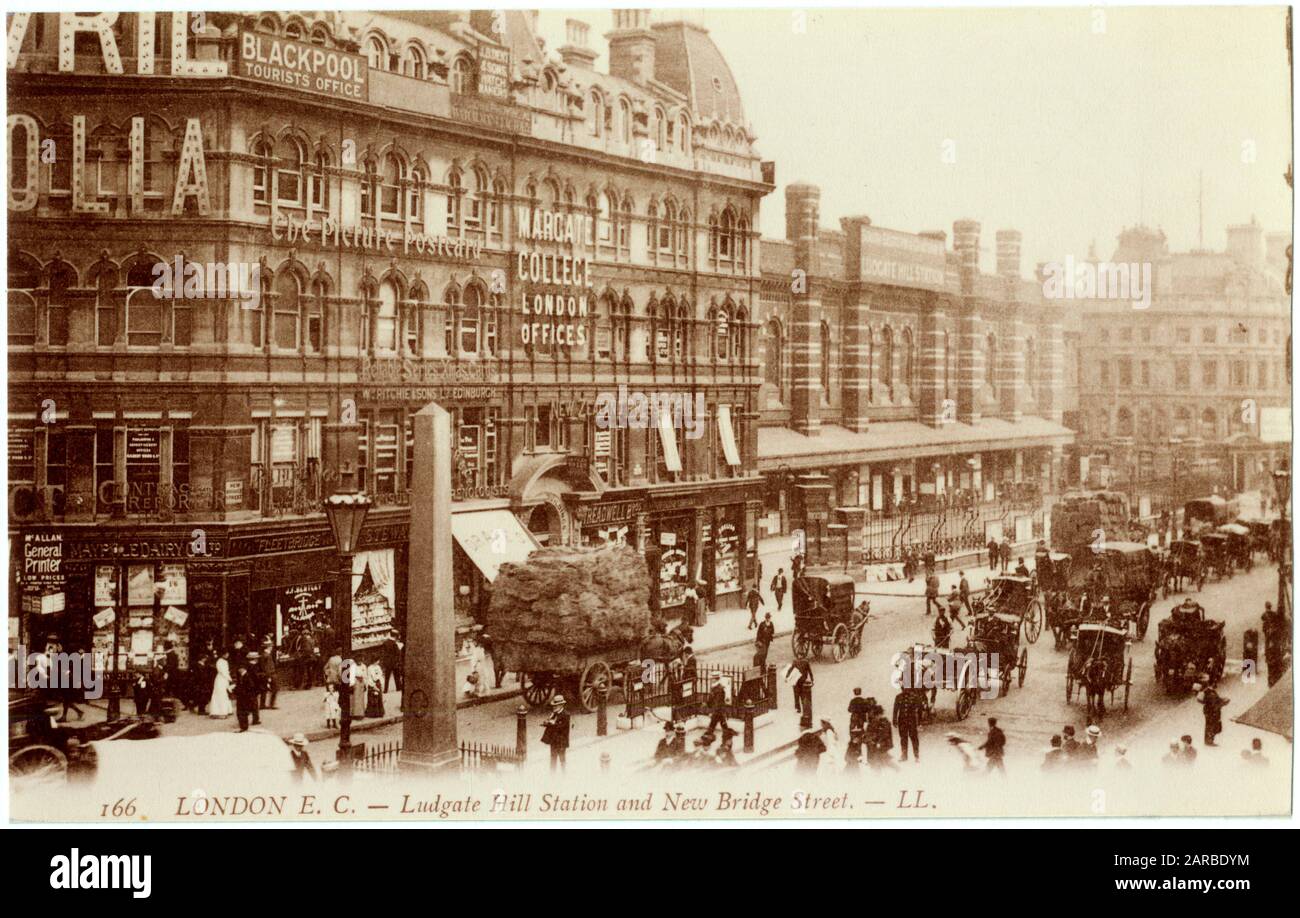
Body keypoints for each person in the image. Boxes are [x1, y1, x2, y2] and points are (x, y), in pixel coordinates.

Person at [541, 695, 571, 772]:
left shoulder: (566, 715)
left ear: (561, 705)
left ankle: (564, 773)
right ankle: (552, 774)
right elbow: (550, 722)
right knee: (553, 758)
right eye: (553, 706)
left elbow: (561, 727)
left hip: (561, 741)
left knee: (562, 758)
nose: (554, 707)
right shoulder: (554, 713)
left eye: (556, 706)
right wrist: (547, 722)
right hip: (553, 740)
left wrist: (553, 723)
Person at [893, 689, 923, 762]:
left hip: (911, 720)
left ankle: (916, 756)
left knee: (914, 738)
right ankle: (904, 755)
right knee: (903, 738)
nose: (905, 689)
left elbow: (920, 710)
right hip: (902, 721)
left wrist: (919, 722)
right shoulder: (898, 697)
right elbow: (895, 709)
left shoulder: (915, 697)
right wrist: (894, 720)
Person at [1196, 682, 1229, 746]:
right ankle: (1209, 741)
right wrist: (1223, 703)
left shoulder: (1209, 691)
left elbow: (1215, 700)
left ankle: (1209, 740)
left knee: (1209, 726)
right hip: (1212, 712)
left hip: (1209, 712)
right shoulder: (1211, 693)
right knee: (1211, 726)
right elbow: (1214, 703)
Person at [865, 704, 896, 769]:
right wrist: (867, 739)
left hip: (880, 746)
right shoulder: (871, 724)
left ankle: (898, 771)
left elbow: (884, 735)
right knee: (879, 761)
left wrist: (874, 740)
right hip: (873, 747)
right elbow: (867, 735)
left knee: (880, 761)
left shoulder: (884, 723)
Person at [785, 654, 813, 722]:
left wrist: (787, 677)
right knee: (802, 695)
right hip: (802, 681)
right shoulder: (806, 662)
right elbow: (810, 671)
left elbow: (790, 670)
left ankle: (798, 708)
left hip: (796, 680)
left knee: (796, 695)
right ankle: (803, 707)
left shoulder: (795, 661)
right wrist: (812, 679)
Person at [233, 661, 259, 732]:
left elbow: (249, 687)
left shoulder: (247, 676)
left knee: (241, 712)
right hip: (243, 697)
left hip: (244, 697)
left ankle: (244, 727)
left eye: (239, 669)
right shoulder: (243, 676)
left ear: (242, 669)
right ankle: (244, 726)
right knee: (241, 712)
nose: (238, 670)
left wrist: (238, 691)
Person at [208, 652, 233, 719]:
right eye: (226, 653)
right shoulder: (219, 662)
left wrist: (228, 678)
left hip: (224, 679)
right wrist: (229, 678)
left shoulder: (225, 661)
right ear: (223, 654)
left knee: (225, 694)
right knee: (220, 694)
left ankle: (226, 710)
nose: (228, 655)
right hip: (221, 679)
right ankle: (218, 712)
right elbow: (223, 672)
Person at [258, 638, 278, 711]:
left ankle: (263, 705)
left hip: (268, 674)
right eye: (270, 646)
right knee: (274, 689)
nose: (272, 647)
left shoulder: (265, 655)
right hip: (270, 674)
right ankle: (271, 704)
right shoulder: (266, 655)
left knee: (264, 690)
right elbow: (265, 667)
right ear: (268, 647)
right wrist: (268, 676)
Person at [245, 652, 263, 725]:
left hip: (248, 687)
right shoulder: (254, 667)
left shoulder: (247, 666)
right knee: (254, 704)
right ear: (255, 659)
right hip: (253, 687)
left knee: (249, 703)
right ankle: (255, 720)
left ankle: (247, 717)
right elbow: (256, 677)